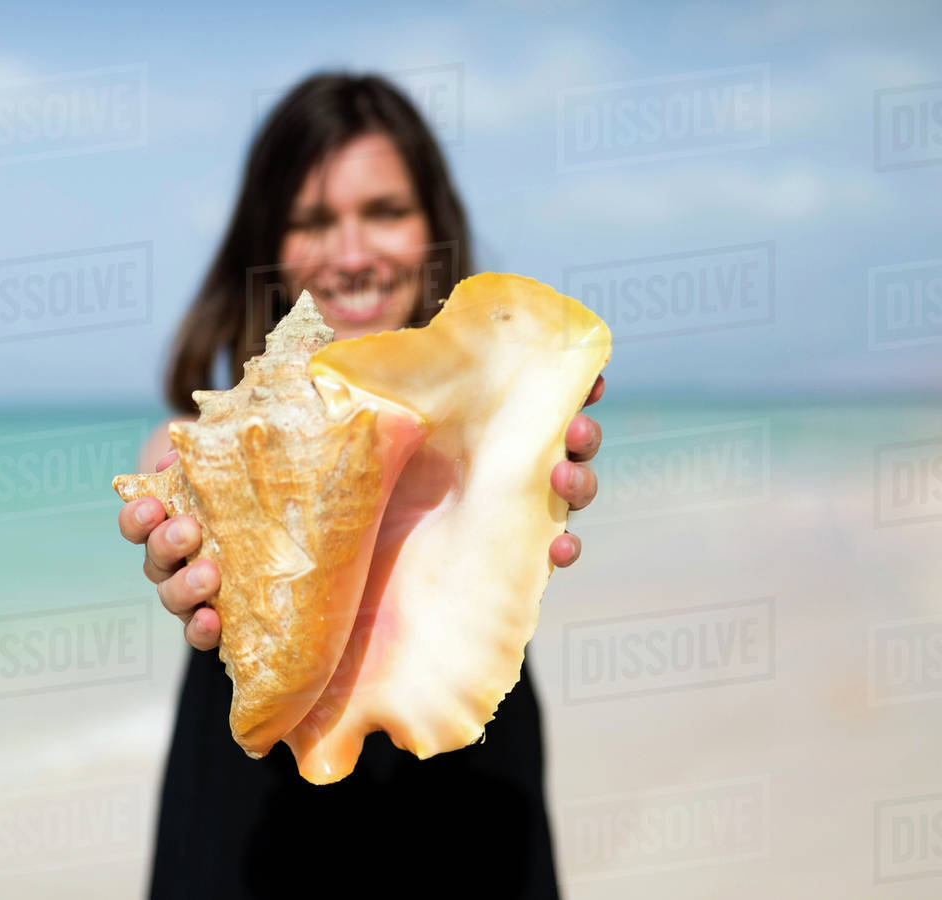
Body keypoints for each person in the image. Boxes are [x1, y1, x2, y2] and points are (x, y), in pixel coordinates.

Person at [117, 73, 605, 899]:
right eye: (312, 221)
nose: (351, 253)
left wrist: (526, 479)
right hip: (257, 815)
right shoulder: (209, 438)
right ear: (268, 244)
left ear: (433, 227)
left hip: (472, 789)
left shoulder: (477, 413)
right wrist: (187, 534)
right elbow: (171, 460)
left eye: (385, 211)